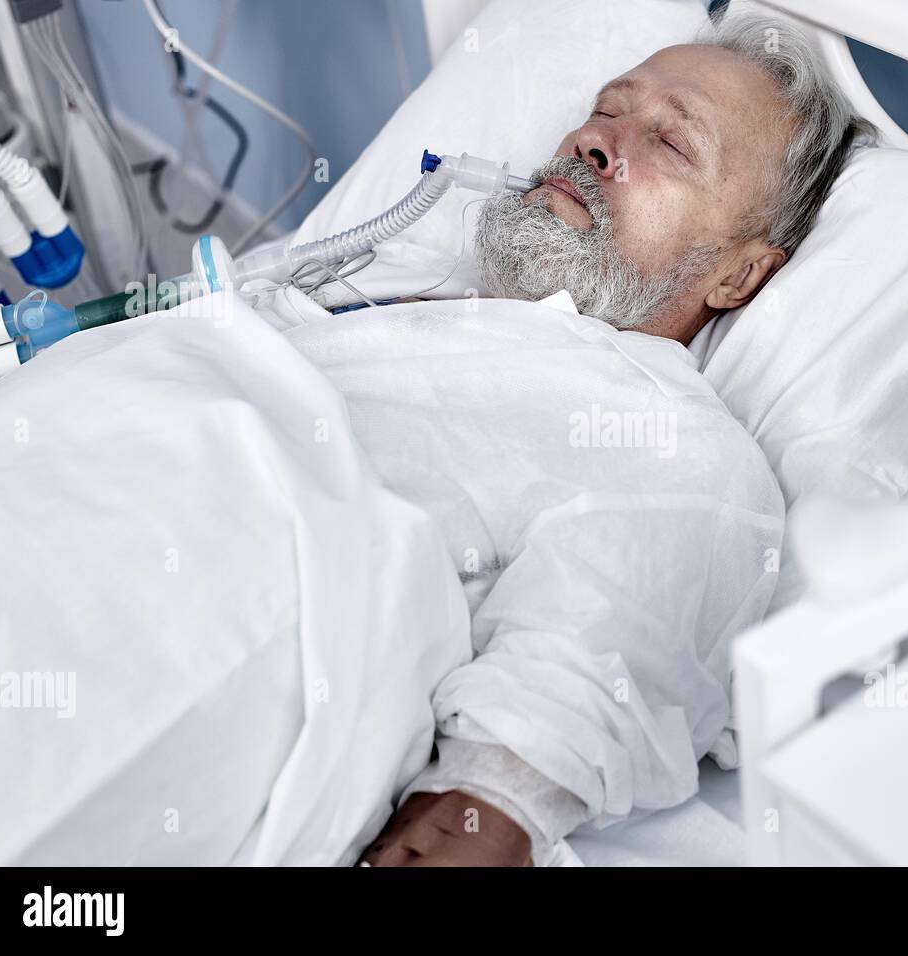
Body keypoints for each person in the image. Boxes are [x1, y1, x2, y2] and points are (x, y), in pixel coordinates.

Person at [356, 11, 871, 866]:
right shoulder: (394, 290)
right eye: (607, 108)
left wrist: (486, 805)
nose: (596, 140)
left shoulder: (662, 439)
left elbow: (570, 693)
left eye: (671, 145)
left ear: (738, 273)